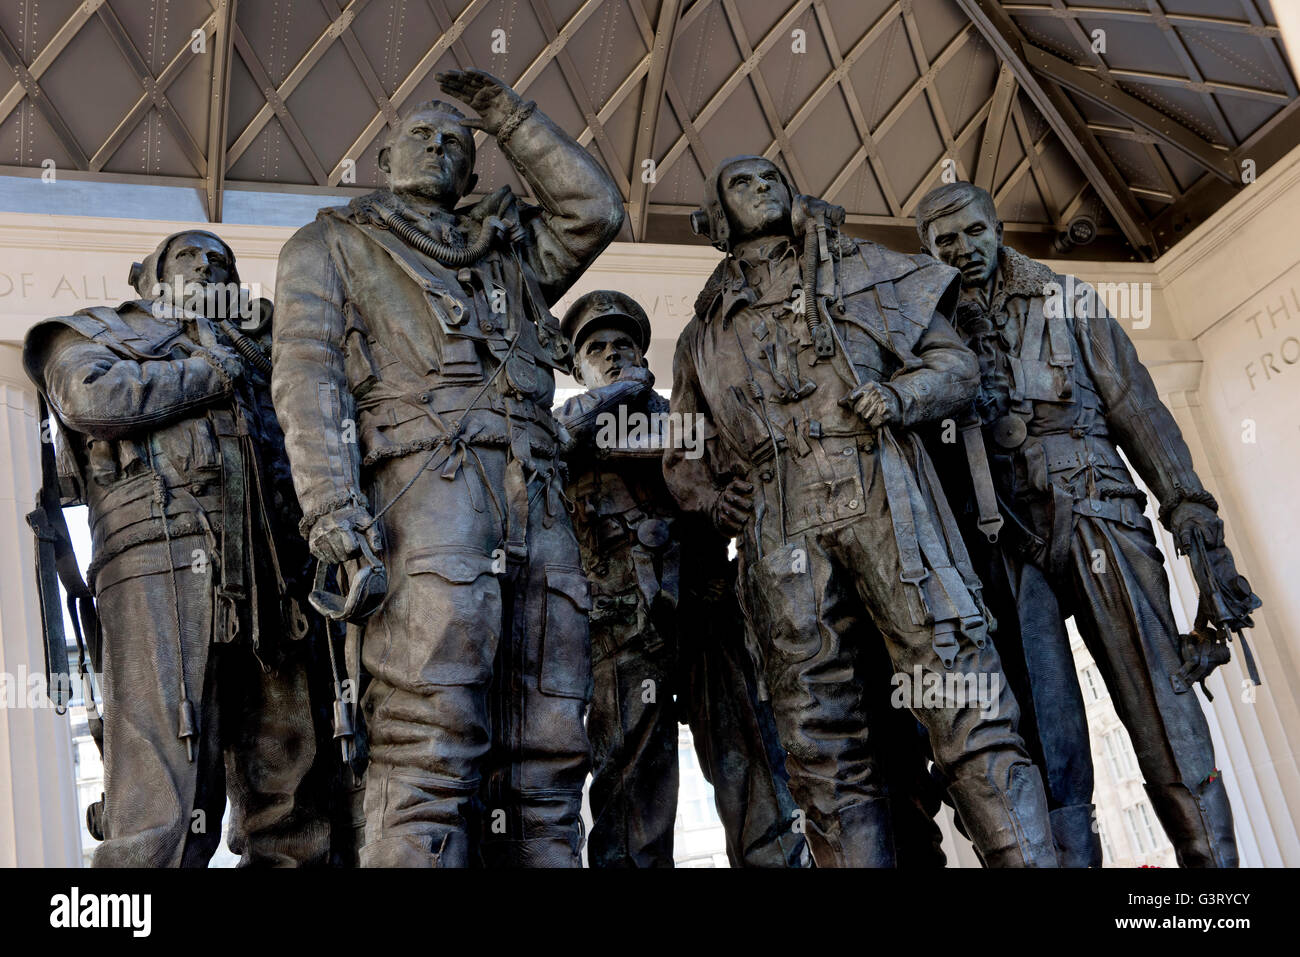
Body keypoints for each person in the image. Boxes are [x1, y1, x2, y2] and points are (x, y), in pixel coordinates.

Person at [661, 155, 1059, 867]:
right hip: (777, 527)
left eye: (772, 178)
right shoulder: (701, 334)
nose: (761, 190)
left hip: (884, 494)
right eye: (742, 182)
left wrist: (903, 397)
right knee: (818, 735)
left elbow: (956, 366)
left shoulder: (862, 267)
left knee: (961, 695)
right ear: (718, 216)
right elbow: (682, 452)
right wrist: (715, 497)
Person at [270, 70, 624, 867]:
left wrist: (509, 117)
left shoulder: (510, 254)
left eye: (456, 143)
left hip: (535, 498)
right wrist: (330, 506)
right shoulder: (330, 244)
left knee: (552, 746)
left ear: (473, 171)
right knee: (426, 744)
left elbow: (596, 209)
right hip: (422, 496)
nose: (439, 146)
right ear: (385, 159)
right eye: (421, 136)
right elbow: (305, 373)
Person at [916, 180, 1255, 867]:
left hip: (1095, 512)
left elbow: (1137, 408)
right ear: (929, 250)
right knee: (1048, 741)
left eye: (972, 232)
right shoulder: (926, 333)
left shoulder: (1066, 297)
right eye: (944, 241)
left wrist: (1190, 510)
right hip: (1004, 540)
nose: (963, 249)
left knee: (1164, 714)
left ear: (997, 227)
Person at [23, 230, 328, 866]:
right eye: (189, 255)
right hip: (155, 570)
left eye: (221, 260)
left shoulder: (273, 354)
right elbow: (90, 398)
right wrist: (213, 371)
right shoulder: (93, 331)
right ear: (146, 276)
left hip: (274, 582)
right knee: (161, 804)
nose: (209, 265)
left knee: (291, 794)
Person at [556, 290, 804, 867]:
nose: (614, 355)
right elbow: (560, 440)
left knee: (755, 770)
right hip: (620, 629)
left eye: (625, 346)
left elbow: (735, 464)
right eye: (598, 350)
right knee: (631, 786)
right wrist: (621, 393)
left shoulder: (690, 419)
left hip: (708, 614)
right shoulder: (566, 426)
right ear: (577, 368)